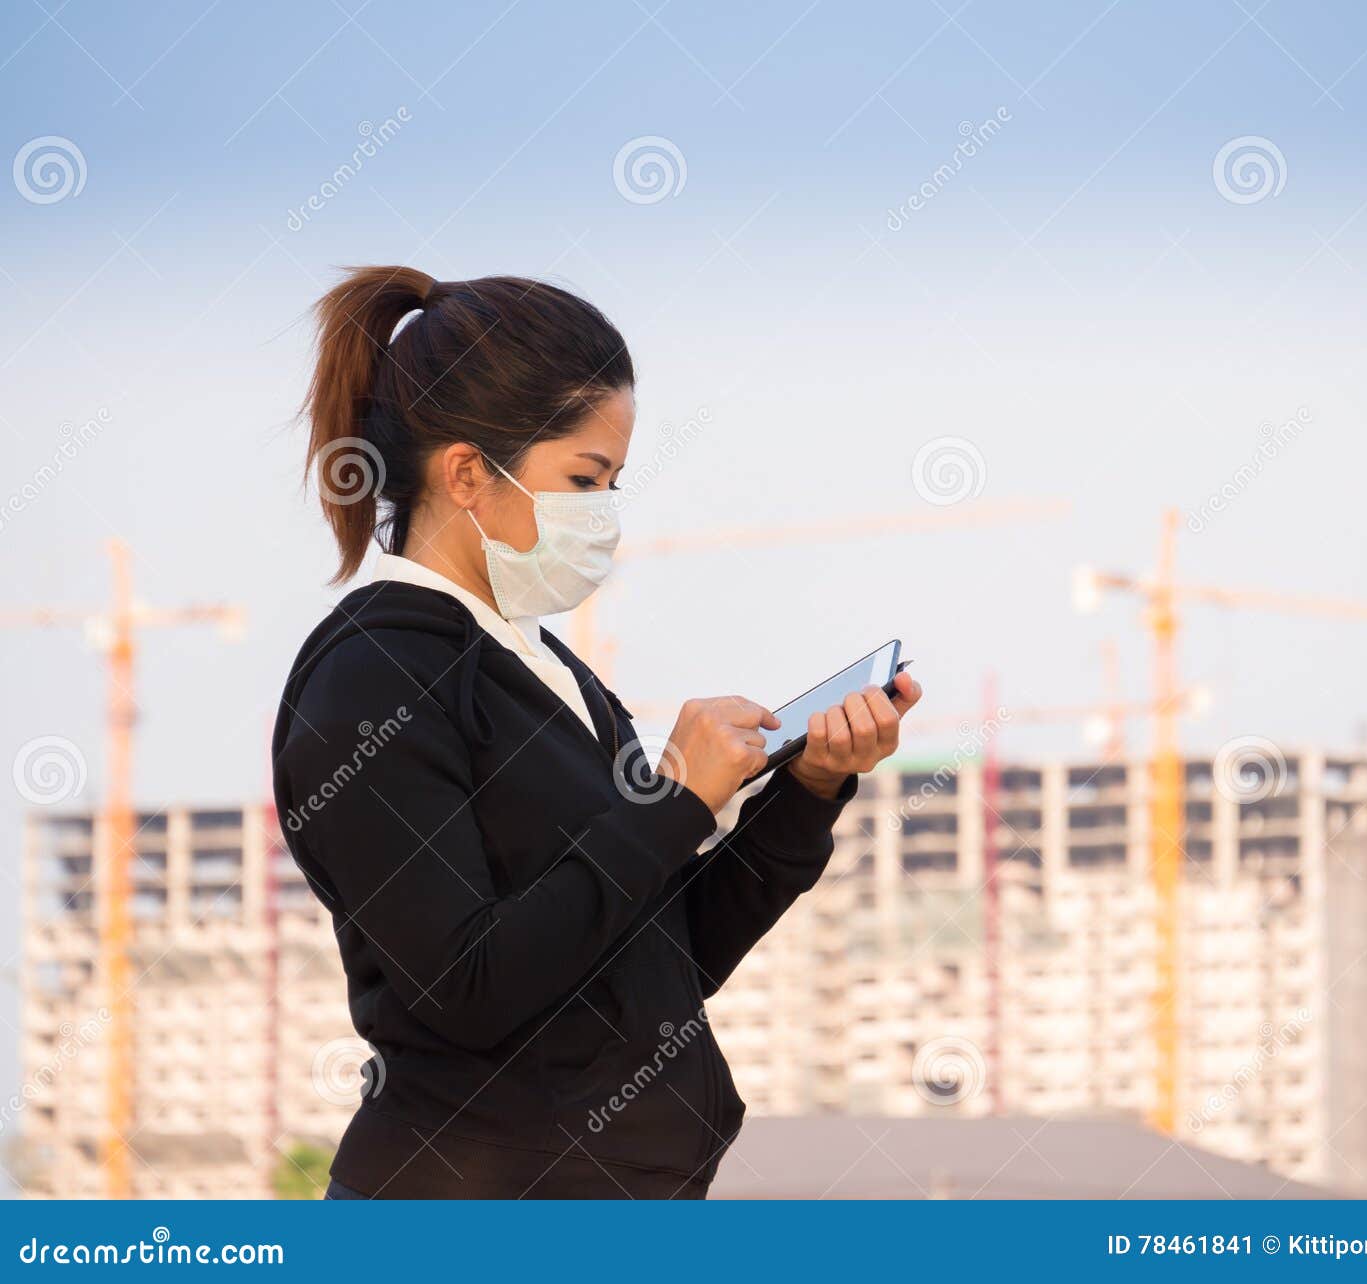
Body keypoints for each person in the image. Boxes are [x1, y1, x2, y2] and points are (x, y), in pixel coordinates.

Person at [270, 266, 921, 1199]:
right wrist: (679, 802)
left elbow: (659, 962)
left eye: (613, 481)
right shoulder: (373, 676)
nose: (605, 512)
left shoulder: (545, 669)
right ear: (466, 474)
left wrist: (806, 790)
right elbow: (468, 987)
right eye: (584, 479)